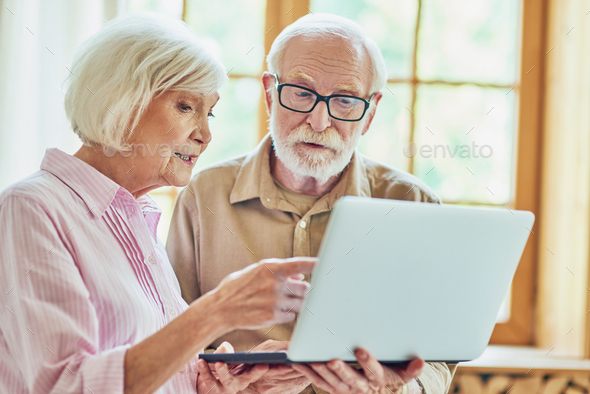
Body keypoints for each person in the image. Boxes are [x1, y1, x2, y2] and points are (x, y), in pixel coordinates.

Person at [0, 14, 316, 394]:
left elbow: (152, 377)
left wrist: (232, 383)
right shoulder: (32, 208)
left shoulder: (137, 219)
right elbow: (65, 386)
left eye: (209, 112)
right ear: (121, 102)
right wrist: (215, 311)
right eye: (186, 107)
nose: (206, 135)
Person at [167, 13, 456, 394]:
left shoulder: (412, 203)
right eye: (302, 94)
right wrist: (219, 383)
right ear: (270, 94)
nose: (319, 121)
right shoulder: (204, 194)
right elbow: (168, 338)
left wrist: (395, 389)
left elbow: (439, 358)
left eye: (345, 100)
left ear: (370, 112)